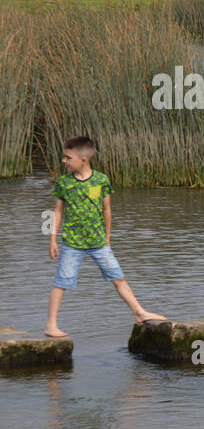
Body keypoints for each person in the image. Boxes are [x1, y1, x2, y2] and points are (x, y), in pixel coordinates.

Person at [44, 136, 166, 338]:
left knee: (118, 277)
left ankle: (139, 312)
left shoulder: (101, 180)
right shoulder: (64, 182)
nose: (64, 161)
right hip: (72, 243)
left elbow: (107, 210)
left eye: (68, 157)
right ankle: (51, 325)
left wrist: (108, 239)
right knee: (62, 282)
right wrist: (52, 239)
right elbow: (57, 212)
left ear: (83, 159)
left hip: (98, 242)